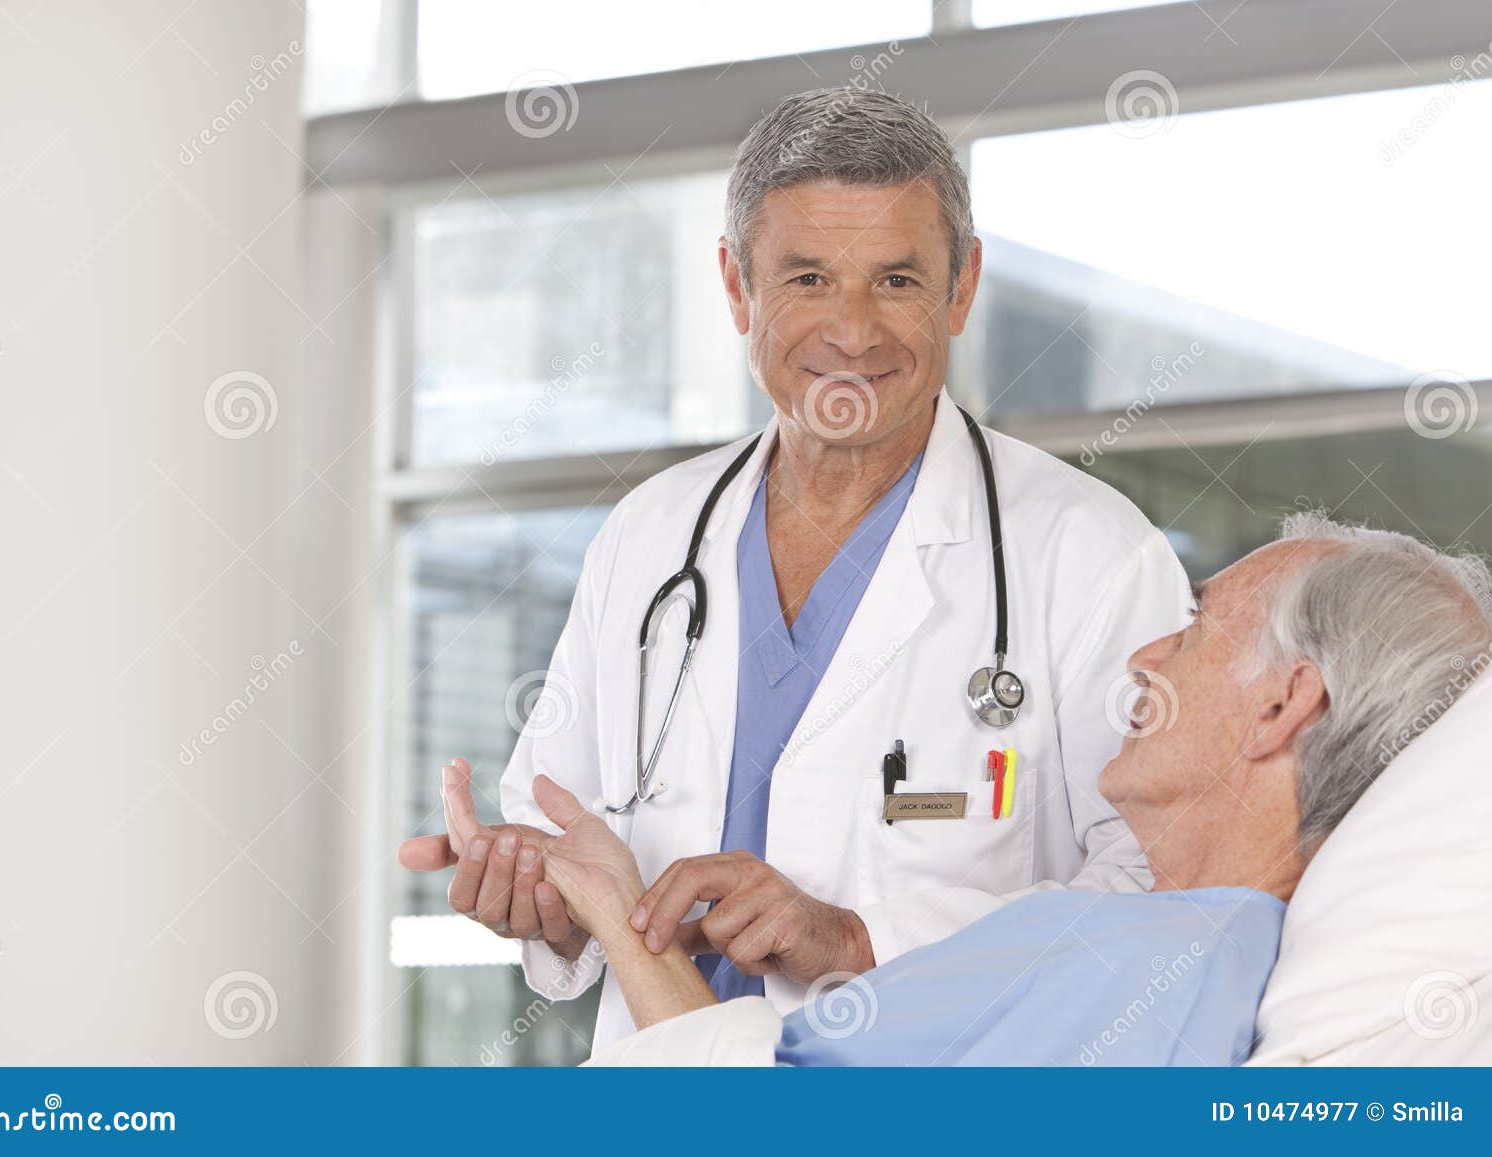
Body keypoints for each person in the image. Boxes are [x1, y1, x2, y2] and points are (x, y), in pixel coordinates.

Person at [399, 87, 1192, 1051]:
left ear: (962, 287)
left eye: (896, 280)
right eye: (808, 278)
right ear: (737, 286)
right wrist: (542, 897)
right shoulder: (650, 536)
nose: (852, 331)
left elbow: (1166, 886)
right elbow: (563, 826)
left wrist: (859, 940)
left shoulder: (1093, 553)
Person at [498, 514, 1492, 1064]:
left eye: (1193, 628)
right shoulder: (1166, 943)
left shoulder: (1166, 962)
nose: (1145, 653)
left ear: (1280, 706)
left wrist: (615, 911)